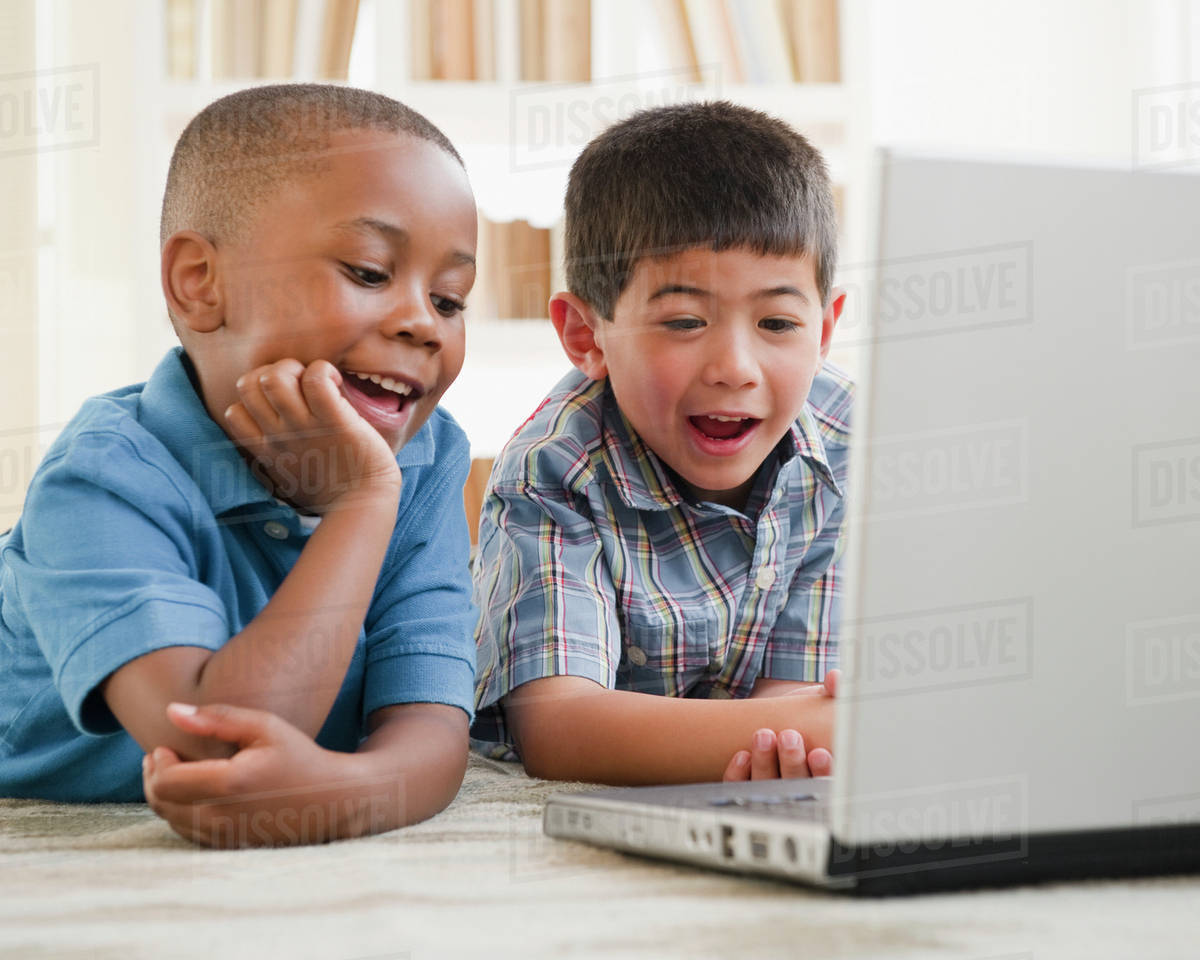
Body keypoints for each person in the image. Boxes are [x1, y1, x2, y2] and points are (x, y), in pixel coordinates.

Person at [0, 84, 479, 847]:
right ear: (201, 282)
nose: (423, 322)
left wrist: (350, 790)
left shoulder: (425, 459)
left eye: (450, 299)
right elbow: (219, 745)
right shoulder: (101, 478)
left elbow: (431, 728)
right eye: (367, 270)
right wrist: (359, 506)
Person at [471, 101, 852, 785]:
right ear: (587, 336)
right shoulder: (552, 471)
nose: (735, 367)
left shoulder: (844, 439)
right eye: (683, 320)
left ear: (824, 331)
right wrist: (827, 725)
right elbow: (562, 733)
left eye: (776, 321)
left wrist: (802, 727)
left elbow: (792, 699)